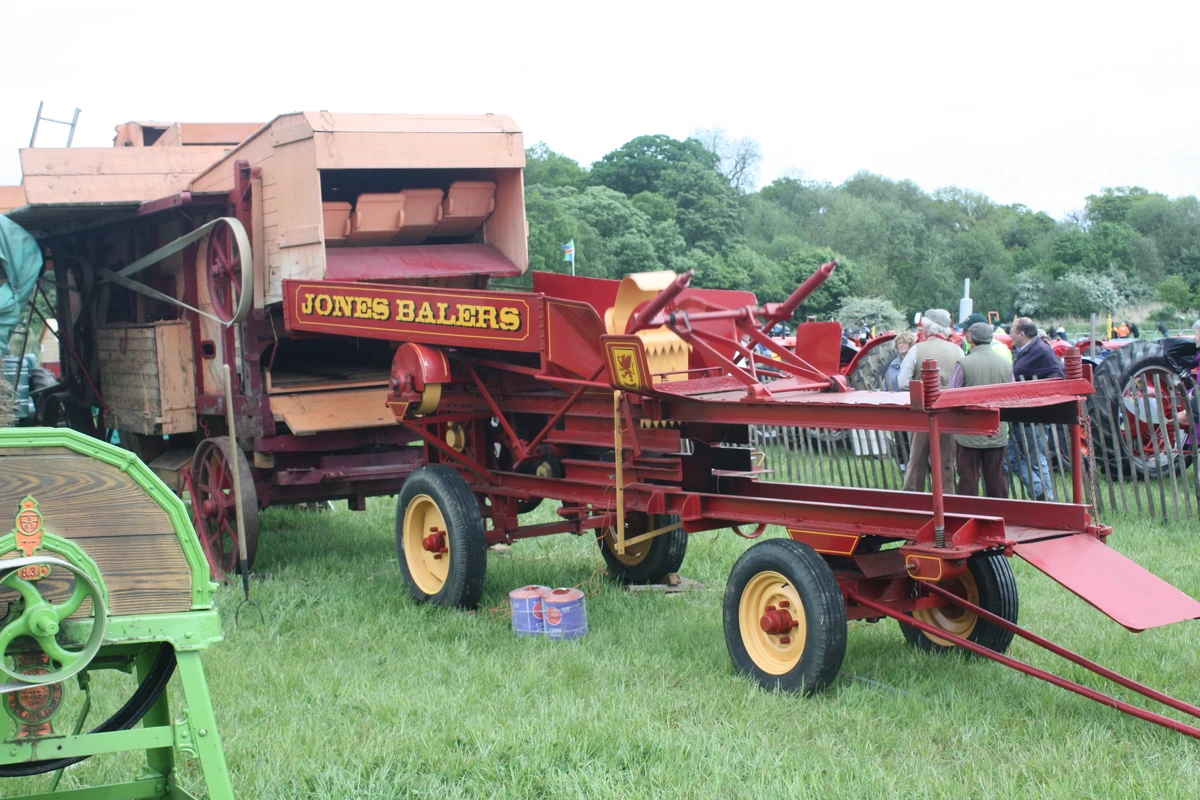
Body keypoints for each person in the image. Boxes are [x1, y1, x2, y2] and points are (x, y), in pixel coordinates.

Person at [897, 309, 963, 492]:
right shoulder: (958, 351)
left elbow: (902, 382)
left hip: (921, 414)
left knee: (917, 461)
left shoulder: (916, 349)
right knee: (946, 462)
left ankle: (913, 502)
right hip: (948, 415)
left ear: (928, 328)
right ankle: (946, 501)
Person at [950, 323, 1013, 497]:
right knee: (996, 476)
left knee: (968, 476)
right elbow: (1013, 396)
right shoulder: (1006, 364)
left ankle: (968, 515)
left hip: (968, 432)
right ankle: (1000, 513)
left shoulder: (964, 363)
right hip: (996, 429)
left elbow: (950, 395)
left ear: (970, 338)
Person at [1009, 317, 1064, 500]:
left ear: (1022, 334)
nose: (1010, 335)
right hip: (1021, 415)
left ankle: (1048, 500)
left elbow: (1057, 375)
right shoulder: (1025, 350)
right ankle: (1040, 491)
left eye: (1012, 332)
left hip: (1035, 415)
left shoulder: (1041, 350)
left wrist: (1038, 394)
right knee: (1011, 456)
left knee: (1036, 461)